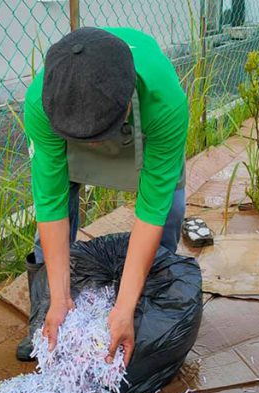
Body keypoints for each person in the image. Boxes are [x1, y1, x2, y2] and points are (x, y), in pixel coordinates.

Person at [15, 26, 189, 363]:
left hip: (144, 133)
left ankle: (147, 303)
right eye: (85, 135)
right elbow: (50, 202)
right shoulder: (41, 103)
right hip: (70, 139)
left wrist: (122, 308)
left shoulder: (166, 102)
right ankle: (46, 308)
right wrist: (60, 297)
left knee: (170, 208)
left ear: (126, 103)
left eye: (98, 133)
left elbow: (152, 207)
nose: (94, 143)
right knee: (53, 220)